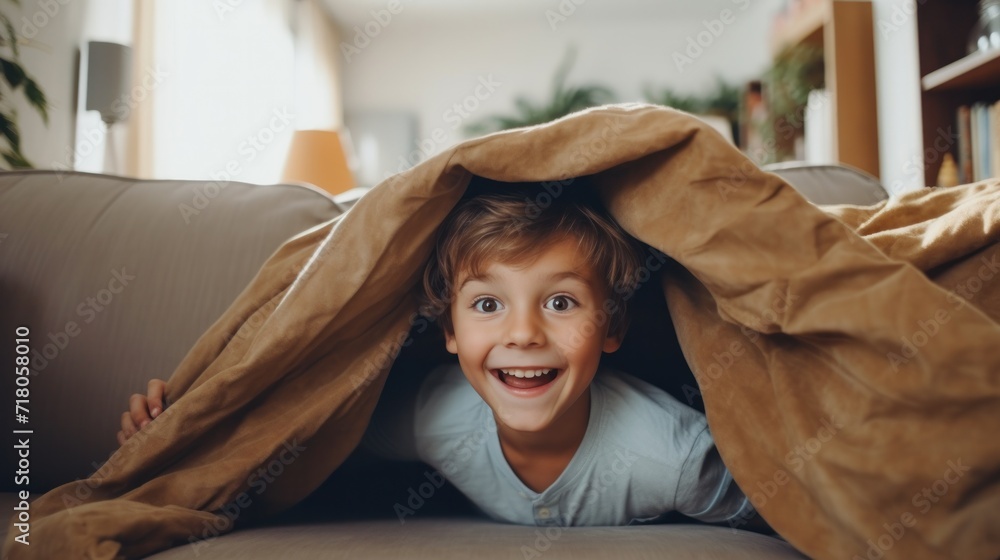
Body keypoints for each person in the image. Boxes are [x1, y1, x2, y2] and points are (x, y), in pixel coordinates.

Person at [118, 179, 762, 530]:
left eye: (561, 303)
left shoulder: (674, 456)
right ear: (448, 331)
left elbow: (790, 506)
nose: (524, 333)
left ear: (611, 326)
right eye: (488, 305)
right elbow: (301, 445)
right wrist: (180, 442)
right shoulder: (434, 414)